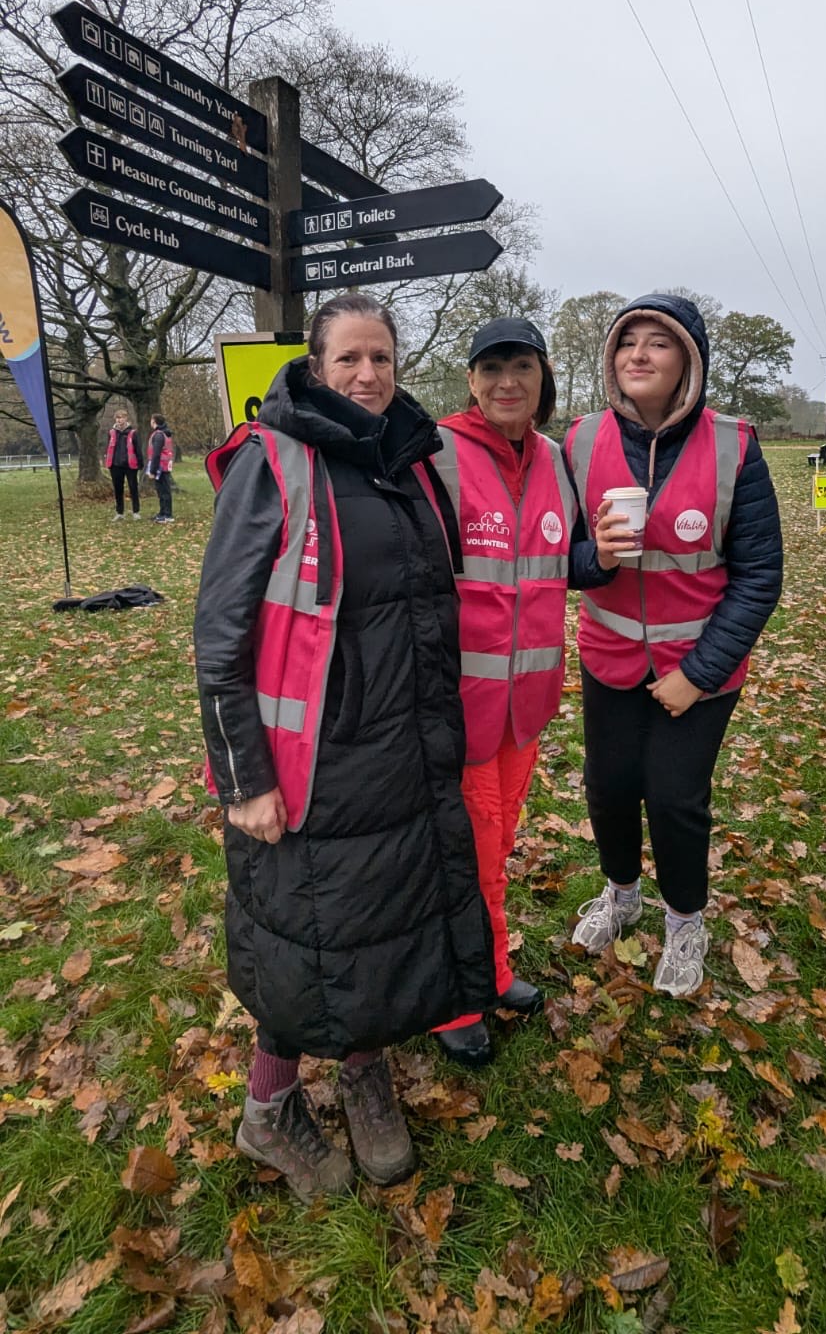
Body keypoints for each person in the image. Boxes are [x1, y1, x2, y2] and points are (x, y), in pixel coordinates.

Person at [193, 292, 494, 1199]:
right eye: (349, 360)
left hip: (401, 748)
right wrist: (244, 777)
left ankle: (364, 1076)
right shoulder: (274, 459)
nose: (368, 375)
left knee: (376, 935)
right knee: (306, 943)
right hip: (313, 761)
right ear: (316, 367)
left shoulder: (409, 460)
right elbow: (221, 630)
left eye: (383, 359)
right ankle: (269, 1111)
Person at [565, 294, 782, 997]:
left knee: (673, 795)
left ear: (688, 360)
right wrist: (597, 557)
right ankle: (622, 893)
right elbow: (559, 557)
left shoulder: (735, 445)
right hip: (610, 654)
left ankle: (685, 921)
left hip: (701, 666)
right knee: (608, 786)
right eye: (628, 340)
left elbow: (759, 576)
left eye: (658, 342)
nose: (638, 353)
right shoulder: (578, 440)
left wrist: (699, 672)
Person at [424, 316, 600, 1066]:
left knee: (496, 850)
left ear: (542, 376)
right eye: (491, 368)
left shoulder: (561, 461)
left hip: (525, 703)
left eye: (521, 367)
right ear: (470, 380)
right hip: (454, 702)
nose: (506, 382)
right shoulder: (435, 453)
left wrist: (607, 555)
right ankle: (451, 999)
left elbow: (564, 561)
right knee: (462, 852)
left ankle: (490, 972)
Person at [106, 409, 143, 519]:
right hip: (115, 465)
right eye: (117, 418)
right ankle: (119, 512)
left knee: (133, 488)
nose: (119, 420)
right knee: (118, 489)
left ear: (126, 418)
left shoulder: (132, 433)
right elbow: (108, 448)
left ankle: (136, 511)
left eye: (121, 418)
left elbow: (138, 449)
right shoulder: (111, 433)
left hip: (130, 465)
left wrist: (140, 464)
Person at [146, 414, 175, 523]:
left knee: (164, 491)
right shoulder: (165, 433)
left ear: (154, 422)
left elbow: (156, 454)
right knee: (162, 490)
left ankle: (167, 514)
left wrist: (152, 470)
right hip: (165, 465)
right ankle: (162, 512)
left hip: (160, 466)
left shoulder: (158, 435)